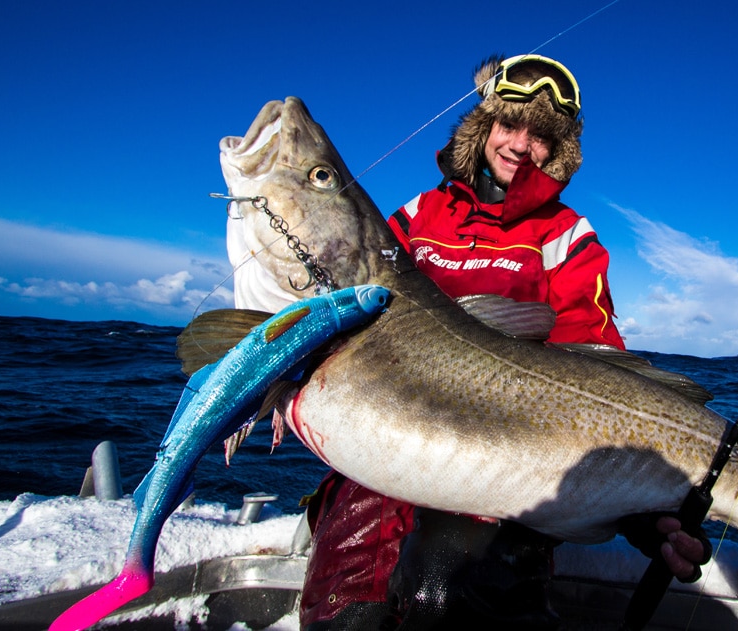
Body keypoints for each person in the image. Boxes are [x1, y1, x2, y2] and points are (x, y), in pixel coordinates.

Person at [299, 54, 711, 631]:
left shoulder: (566, 235)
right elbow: (347, 298)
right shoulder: (417, 215)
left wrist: (643, 509)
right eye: (509, 124)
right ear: (483, 127)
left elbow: (594, 364)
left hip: (507, 458)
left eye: (541, 135)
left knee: (446, 591)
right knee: (343, 610)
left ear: (557, 150)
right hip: (383, 443)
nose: (521, 144)